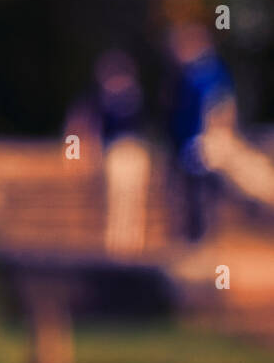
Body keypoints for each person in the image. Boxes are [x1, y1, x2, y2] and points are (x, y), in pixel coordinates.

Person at [165, 23, 235, 242]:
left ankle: (203, 241)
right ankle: (195, 240)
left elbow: (222, 106)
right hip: (184, 143)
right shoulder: (184, 75)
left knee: (202, 196)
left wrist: (214, 136)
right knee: (189, 197)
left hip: (202, 143)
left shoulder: (210, 72)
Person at [95, 51, 149, 254]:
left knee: (134, 196)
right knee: (116, 196)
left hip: (133, 148)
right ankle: (116, 241)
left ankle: (134, 241)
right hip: (115, 150)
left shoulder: (134, 96)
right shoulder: (102, 99)